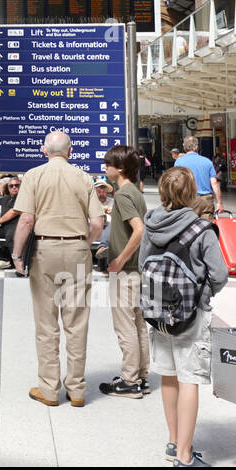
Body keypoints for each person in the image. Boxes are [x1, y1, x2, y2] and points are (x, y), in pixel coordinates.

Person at [140, 166, 228, 466]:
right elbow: (219, 274)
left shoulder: (151, 226)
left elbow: (143, 267)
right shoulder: (202, 229)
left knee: (168, 375)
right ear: (192, 193)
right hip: (191, 314)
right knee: (189, 378)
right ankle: (184, 455)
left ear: (163, 192)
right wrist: (201, 295)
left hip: (158, 313)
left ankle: (173, 441)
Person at [11, 131, 105, 408]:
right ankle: (76, 390)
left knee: (46, 322)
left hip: (45, 250)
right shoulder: (84, 177)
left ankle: (49, 389)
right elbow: (98, 222)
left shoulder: (33, 176)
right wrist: (82, 242)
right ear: (71, 151)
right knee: (77, 322)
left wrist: (17, 254)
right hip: (77, 251)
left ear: (44, 150)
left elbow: (27, 220)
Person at [99, 145, 151, 400]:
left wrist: (119, 259)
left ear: (119, 168)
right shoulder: (135, 193)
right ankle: (141, 376)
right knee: (138, 324)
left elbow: (139, 230)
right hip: (138, 270)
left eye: (108, 164)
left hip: (126, 271)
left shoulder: (121, 195)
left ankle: (129, 380)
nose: (105, 167)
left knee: (125, 327)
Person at [174, 136, 223, 221]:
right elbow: (214, 183)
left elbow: (176, 183)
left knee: (187, 227)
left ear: (184, 147)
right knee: (206, 227)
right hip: (205, 201)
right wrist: (219, 203)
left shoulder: (179, 162)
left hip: (187, 200)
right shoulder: (207, 162)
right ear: (197, 147)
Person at [0, 176, 22, 271]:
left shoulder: (22, 199)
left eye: (16, 185)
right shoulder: (5, 198)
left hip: (16, 226)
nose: (14, 187)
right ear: (8, 188)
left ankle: (17, 263)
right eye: (11, 186)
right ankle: (4, 258)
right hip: (3, 227)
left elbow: (14, 211)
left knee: (11, 236)